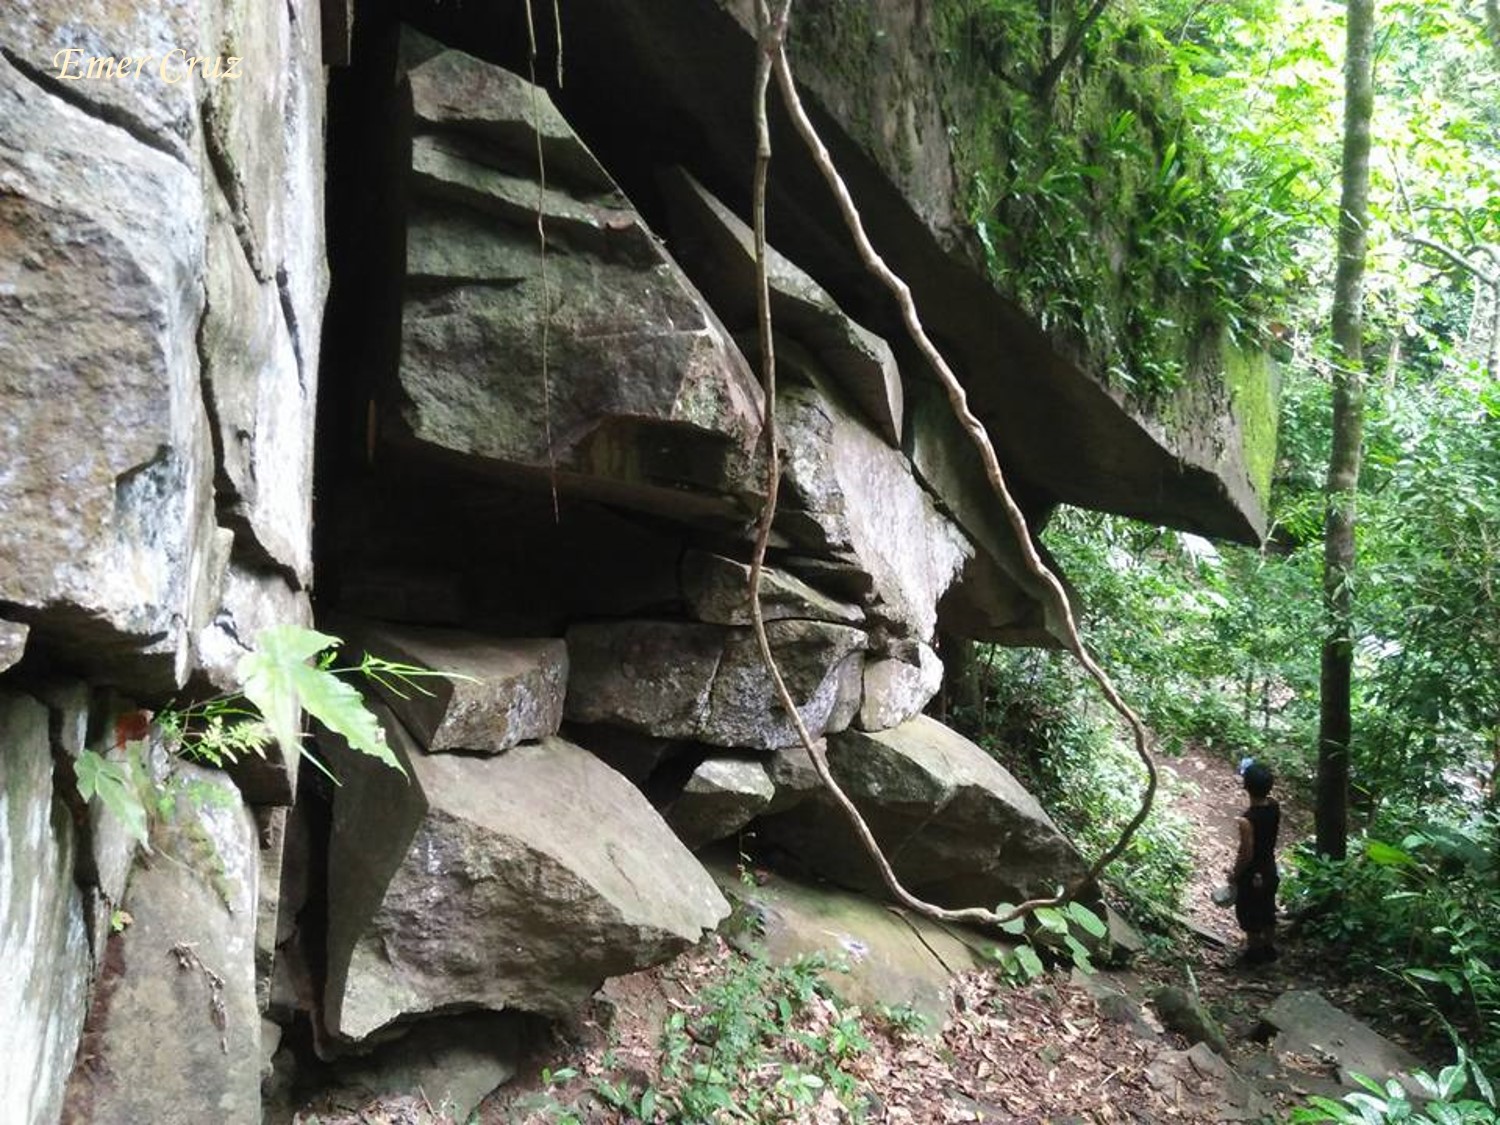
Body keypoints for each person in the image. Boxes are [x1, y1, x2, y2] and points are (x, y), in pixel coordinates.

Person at [1228, 761, 1280, 964]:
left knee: (1249, 913)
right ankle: (1269, 949)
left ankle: (1254, 954)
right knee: (1267, 909)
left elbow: (1247, 853)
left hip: (1253, 874)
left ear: (1246, 786)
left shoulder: (1246, 821)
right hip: (1270, 868)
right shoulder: (1274, 806)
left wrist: (1235, 874)